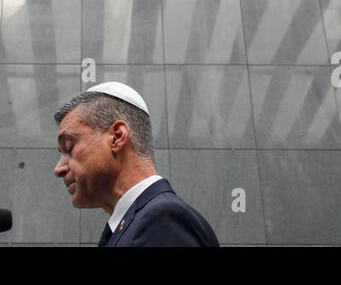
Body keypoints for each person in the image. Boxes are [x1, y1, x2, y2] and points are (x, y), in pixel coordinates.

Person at [52, 81, 219, 247]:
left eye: (69, 147)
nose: (58, 169)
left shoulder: (162, 220)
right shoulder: (140, 221)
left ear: (117, 137)